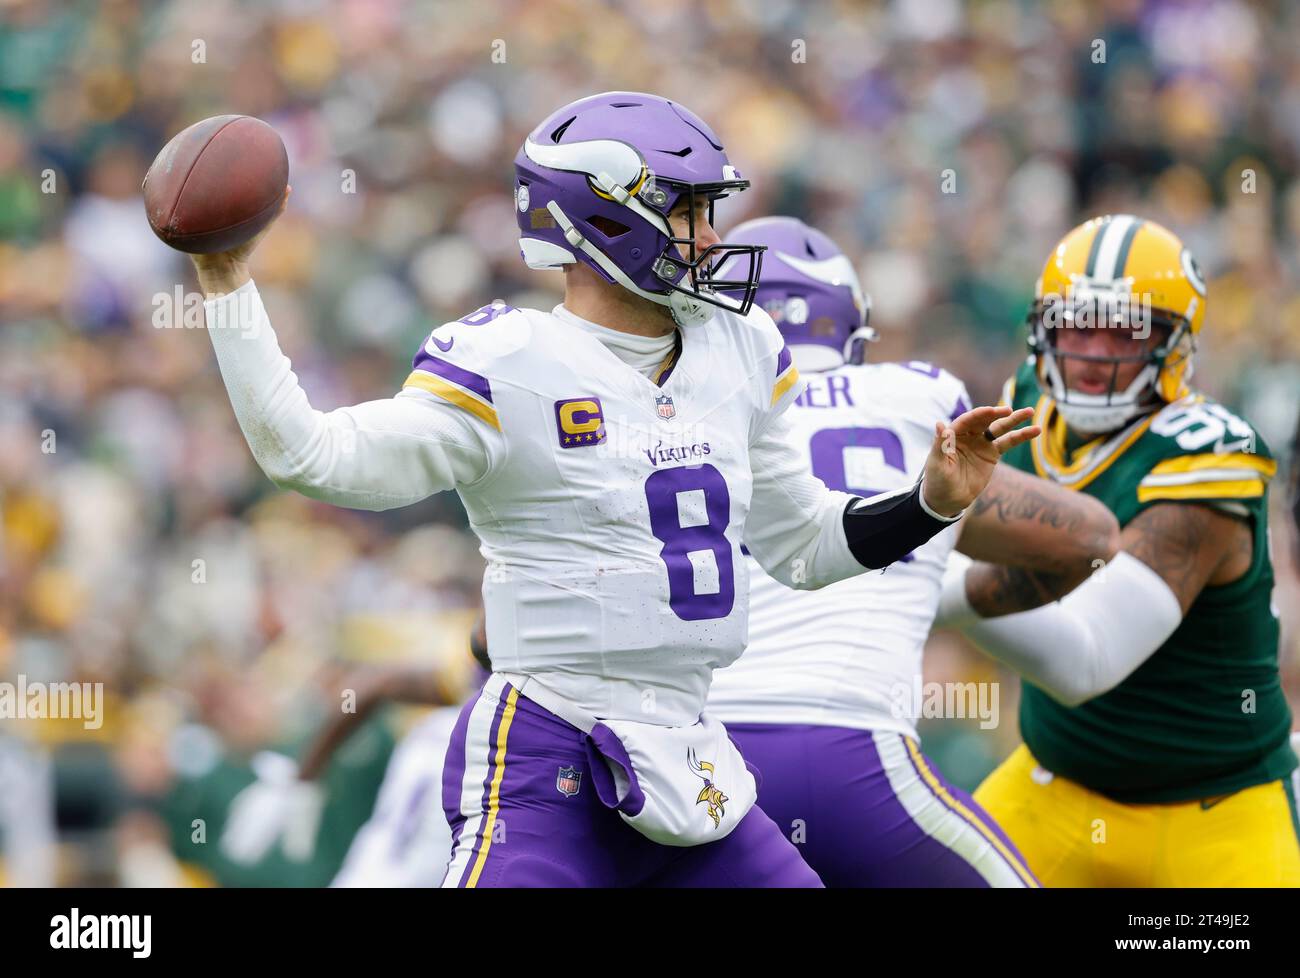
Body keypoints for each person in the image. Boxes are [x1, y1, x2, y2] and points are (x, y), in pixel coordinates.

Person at [191, 92, 1036, 887]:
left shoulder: (741, 347)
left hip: (693, 754)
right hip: (546, 752)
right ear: (598, 214)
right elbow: (311, 456)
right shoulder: (508, 361)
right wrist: (228, 282)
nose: (709, 237)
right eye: (684, 210)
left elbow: (803, 548)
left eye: (709, 210)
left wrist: (928, 503)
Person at [702, 216, 1120, 887]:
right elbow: (1090, 539)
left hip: (697, 770)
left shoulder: (673, 414)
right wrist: (951, 597)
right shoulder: (910, 400)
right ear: (846, 326)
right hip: (853, 761)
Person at [939, 215, 1299, 887]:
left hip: (1217, 813)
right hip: (1056, 783)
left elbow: (1087, 657)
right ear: (1044, 329)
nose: (1094, 352)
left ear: (1176, 344)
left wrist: (924, 592)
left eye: (1127, 329)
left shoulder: (1209, 452)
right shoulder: (1026, 402)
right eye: (1077, 325)